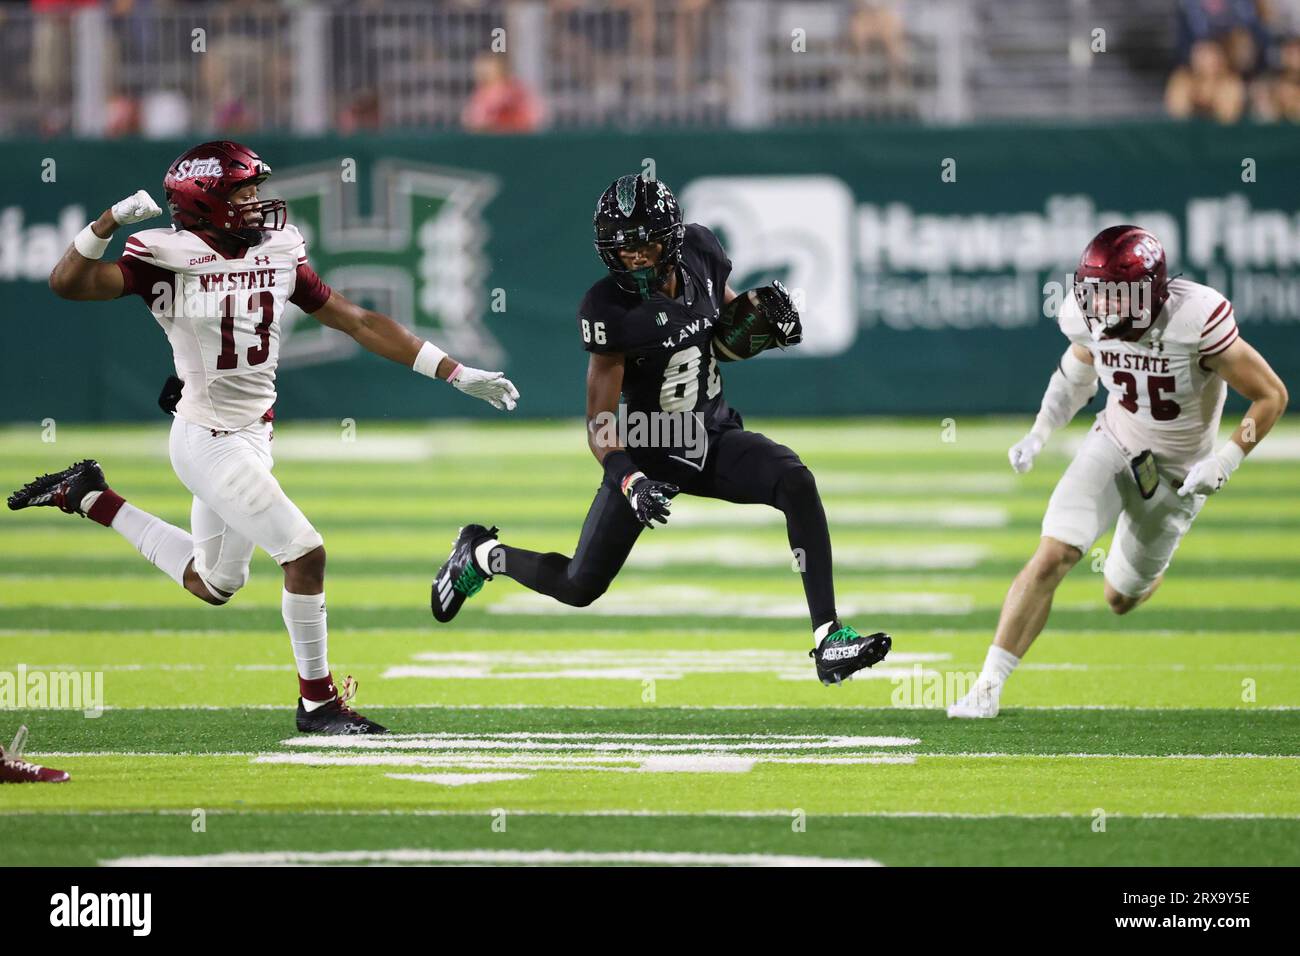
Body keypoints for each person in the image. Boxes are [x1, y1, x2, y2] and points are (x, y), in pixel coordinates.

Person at [9, 140, 520, 734]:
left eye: (254, 191)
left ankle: (90, 496)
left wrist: (454, 371)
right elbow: (67, 283)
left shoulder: (278, 250)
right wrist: (106, 223)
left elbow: (356, 320)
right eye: (242, 194)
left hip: (254, 434)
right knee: (305, 554)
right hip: (207, 437)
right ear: (204, 203)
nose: (257, 204)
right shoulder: (164, 256)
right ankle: (318, 703)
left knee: (215, 582)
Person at [430, 174, 891, 685]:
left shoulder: (701, 250)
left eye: (644, 245)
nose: (635, 259)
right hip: (649, 446)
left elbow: (719, 324)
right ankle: (482, 555)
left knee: (795, 481)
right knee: (580, 586)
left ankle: (827, 638)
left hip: (711, 434)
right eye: (623, 251)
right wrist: (631, 480)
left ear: (670, 237)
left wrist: (757, 326)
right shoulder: (607, 310)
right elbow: (600, 423)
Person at [949, 225, 1288, 718]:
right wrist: (1039, 433)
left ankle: (1147, 565)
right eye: (1095, 292)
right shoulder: (1085, 317)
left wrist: (1226, 459)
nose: (1102, 306)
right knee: (1053, 555)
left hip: (1177, 476)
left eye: (1115, 293)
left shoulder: (1194, 319)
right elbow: (1077, 371)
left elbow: (1271, 395)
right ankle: (986, 686)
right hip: (1114, 442)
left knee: (1119, 599)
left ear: (1149, 292)